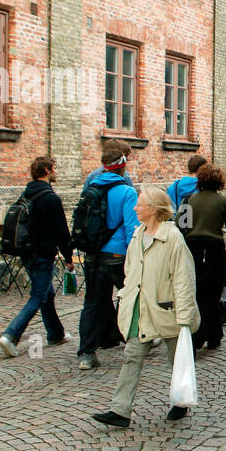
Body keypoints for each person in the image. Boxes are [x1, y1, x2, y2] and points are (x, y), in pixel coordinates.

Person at [91, 187, 199, 428]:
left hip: (167, 308)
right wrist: (127, 295)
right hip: (140, 307)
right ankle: (120, 410)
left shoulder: (172, 237)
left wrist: (184, 316)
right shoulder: (138, 234)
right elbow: (130, 269)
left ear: (153, 209)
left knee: (176, 359)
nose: (135, 208)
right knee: (131, 356)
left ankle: (180, 402)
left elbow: (184, 278)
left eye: (139, 204)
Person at [0, 157, 74, 358]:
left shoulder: (26, 194)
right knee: (39, 296)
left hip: (26, 252)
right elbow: (61, 231)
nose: (56, 172)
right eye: (55, 168)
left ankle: (56, 334)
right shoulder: (50, 198)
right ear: (48, 171)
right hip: (42, 253)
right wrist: (69, 256)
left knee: (46, 293)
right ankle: (10, 335)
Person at [76, 143, 139, 370]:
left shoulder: (90, 188)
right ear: (123, 167)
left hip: (93, 255)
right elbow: (133, 229)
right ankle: (136, 341)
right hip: (117, 255)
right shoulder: (127, 192)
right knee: (131, 297)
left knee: (92, 302)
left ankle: (87, 353)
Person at [184, 164, 226, 351]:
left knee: (198, 292)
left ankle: (202, 333)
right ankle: (213, 335)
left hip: (194, 248)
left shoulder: (190, 199)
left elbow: (182, 225)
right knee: (214, 293)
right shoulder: (223, 202)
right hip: (214, 249)